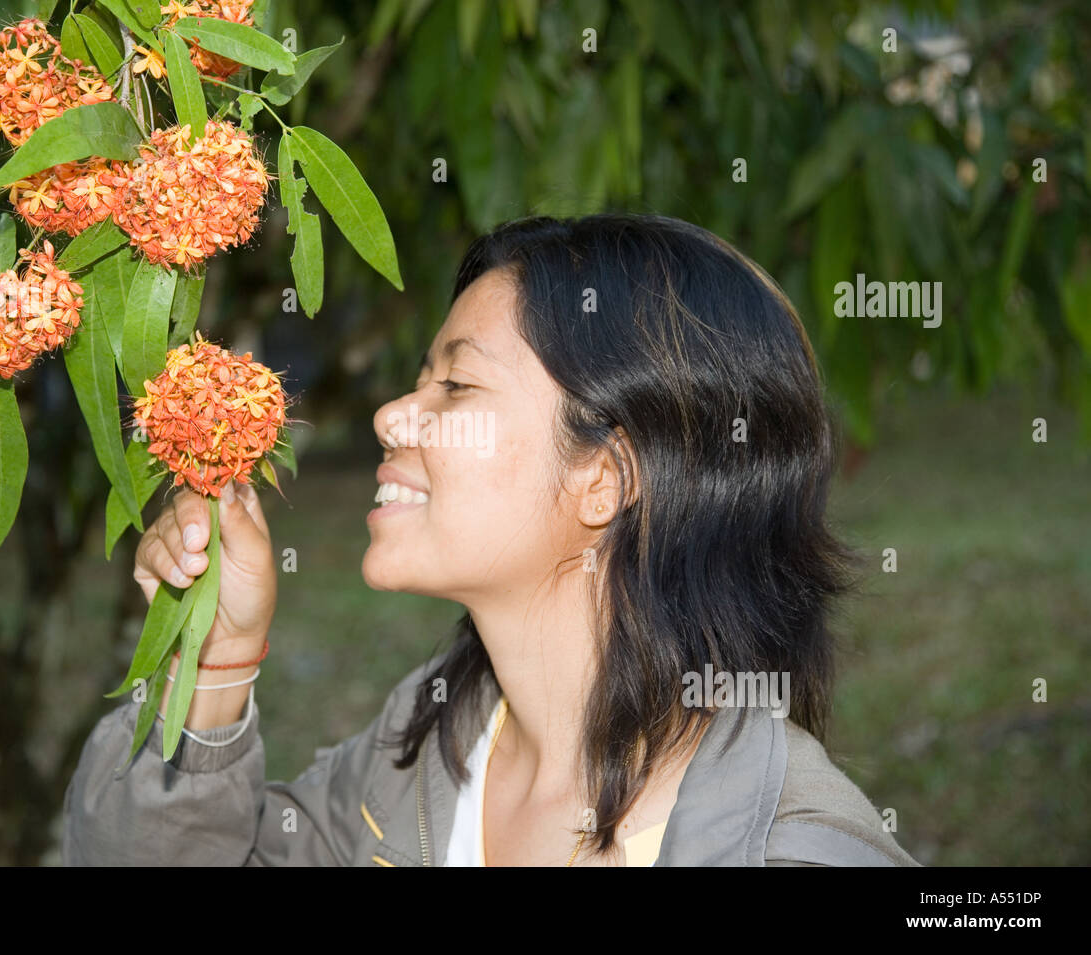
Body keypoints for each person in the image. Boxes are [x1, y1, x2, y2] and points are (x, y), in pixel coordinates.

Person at [62, 213, 920, 867]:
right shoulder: (430, 744)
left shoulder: (791, 850)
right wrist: (211, 665)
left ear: (605, 480)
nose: (390, 414)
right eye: (419, 377)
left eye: (457, 384)